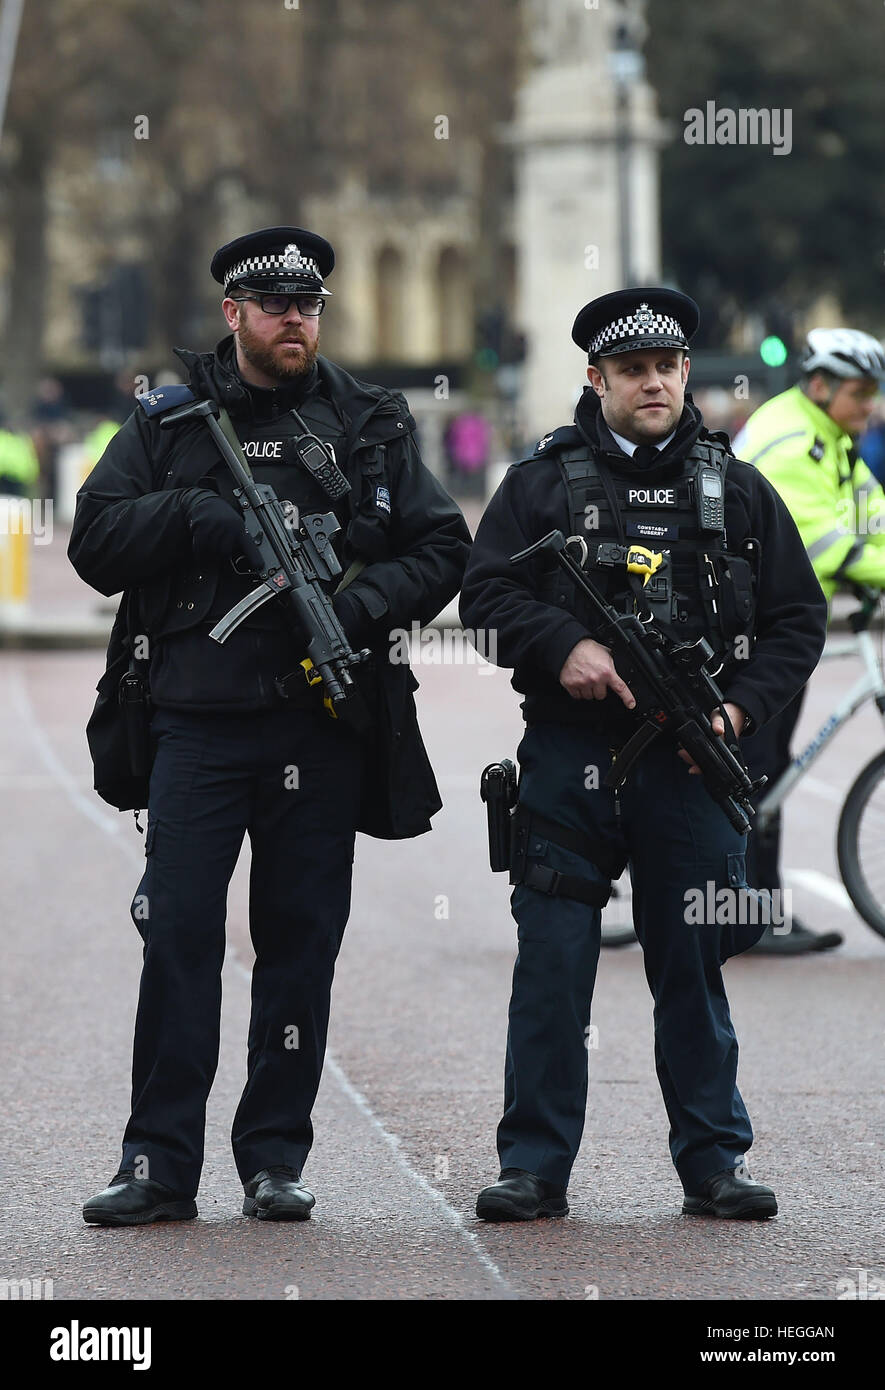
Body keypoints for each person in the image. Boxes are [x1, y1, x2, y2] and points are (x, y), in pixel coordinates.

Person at [69, 226, 471, 1225]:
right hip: (194, 726)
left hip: (320, 727)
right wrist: (196, 518)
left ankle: (273, 1157)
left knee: (299, 945)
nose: (295, 318)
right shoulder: (169, 424)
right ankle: (159, 1162)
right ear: (233, 313)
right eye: (273, 301)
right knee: (179, 938)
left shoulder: (368, 420)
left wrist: (358, 601)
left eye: (308, 303)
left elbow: (443, 546)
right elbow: (93, 539)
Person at [459, 288, 827, 1222]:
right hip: (568, 759)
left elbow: (795, 620)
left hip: (691, 762)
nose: (655, 383)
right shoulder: (540, 483)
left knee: (693, 971)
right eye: (632, 370)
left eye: (666, 367)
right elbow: (483, 599)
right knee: (550, 965)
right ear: (596, 378)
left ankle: (712, 1161)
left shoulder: (735, 485)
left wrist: (740, 713)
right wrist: (559, 646)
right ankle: (533, 1167)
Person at [734, 328, 885, 954]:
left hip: (781, 618)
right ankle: (740, 910)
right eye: (860, 392)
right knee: (755, 762)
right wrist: (867, 562)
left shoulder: (835, 440)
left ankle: (759, 908)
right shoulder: (795, 441)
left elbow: (872, 517)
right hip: (751, 621)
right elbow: (824, 541)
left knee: (770, 764)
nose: (869, 406)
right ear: (821, 386)